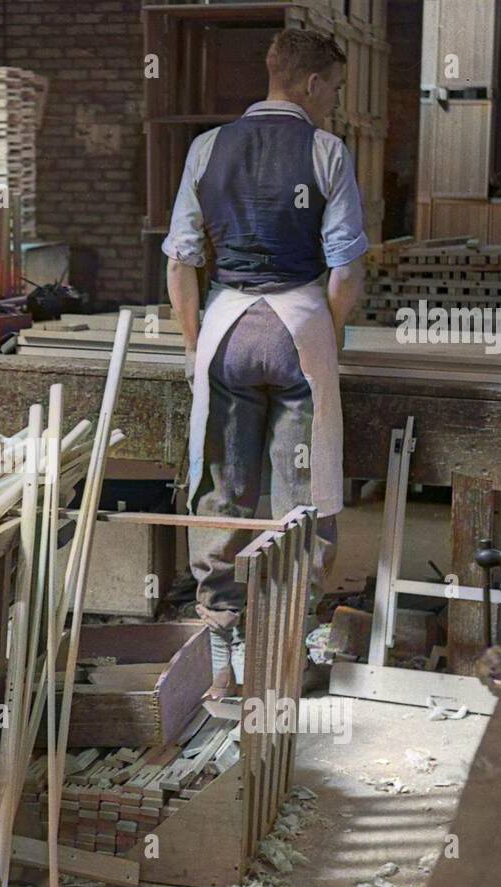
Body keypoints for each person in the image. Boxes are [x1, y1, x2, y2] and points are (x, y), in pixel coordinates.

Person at [162, 28, 366, 696]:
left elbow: (181, 263)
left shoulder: (206, 147)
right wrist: (320, 340)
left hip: (225, 332)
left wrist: (197, 346)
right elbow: (344, 275)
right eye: (333, 86)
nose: (333, 100)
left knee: (223, 491)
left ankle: (224, 661)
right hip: (297, 333)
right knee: (298, 501)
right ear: (310, 84)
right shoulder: (326, 150)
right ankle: (283, 658)